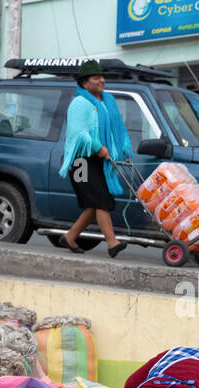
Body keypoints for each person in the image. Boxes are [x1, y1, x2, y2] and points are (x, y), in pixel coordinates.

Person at [58, 60, 131, 257]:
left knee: (94, 203)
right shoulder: (79, 103)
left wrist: (123, 147)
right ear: (84, 83)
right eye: (96, 77)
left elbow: (119, 127)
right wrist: (99, 147)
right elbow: (79, 132)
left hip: (98, 161)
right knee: (100, 199)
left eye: (102, 76)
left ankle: (70, 237)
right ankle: (112, 242)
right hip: (80, 161)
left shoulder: (107, 101)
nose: (102, 80)